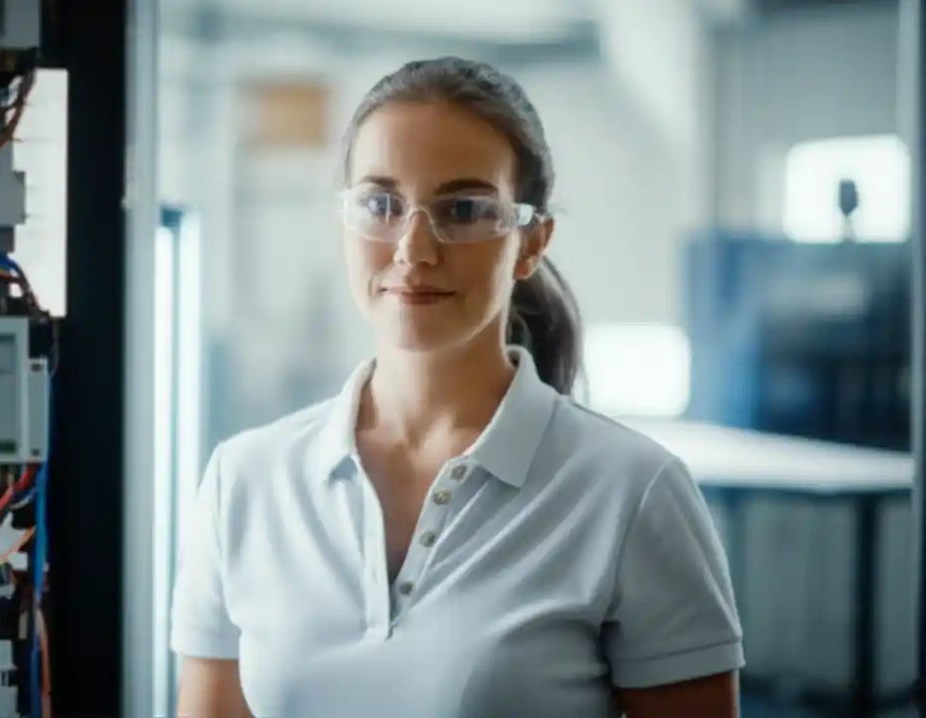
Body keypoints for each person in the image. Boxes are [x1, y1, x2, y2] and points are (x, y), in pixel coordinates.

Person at [171, 57, 743, 718]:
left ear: (531, 243)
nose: (414, 249)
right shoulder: (244, 480)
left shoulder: (632, 493)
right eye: (381, 204)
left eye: (464, 208)